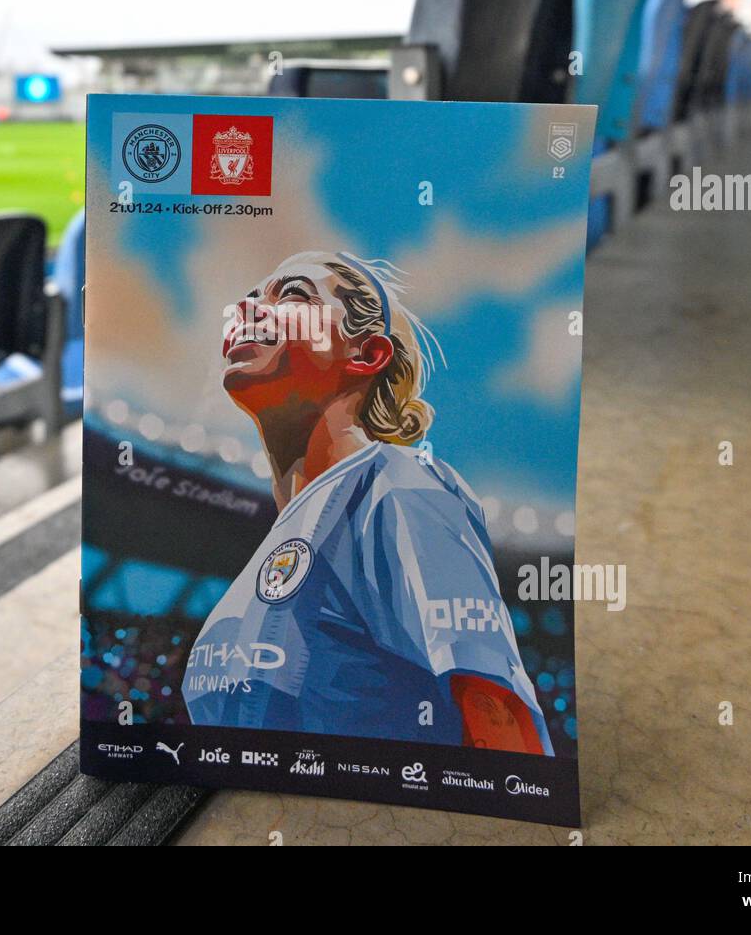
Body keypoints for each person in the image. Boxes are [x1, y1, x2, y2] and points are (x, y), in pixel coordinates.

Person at [182, 250, 551, 754]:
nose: (245, 310)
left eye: (292, 295)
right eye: (247, 299)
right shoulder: (279, 543)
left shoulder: (400, 486)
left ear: (367, 355)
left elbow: (496, 712)